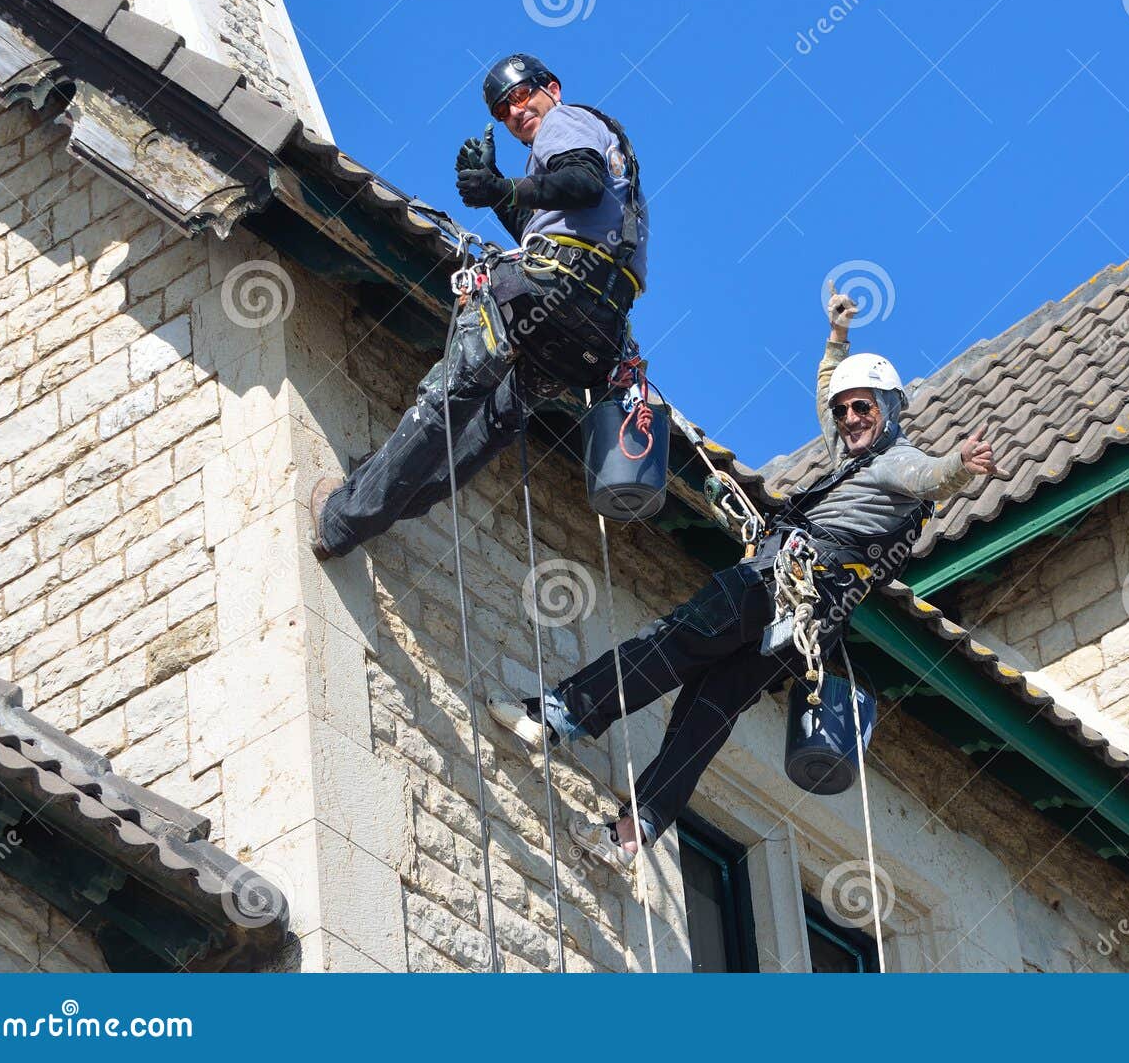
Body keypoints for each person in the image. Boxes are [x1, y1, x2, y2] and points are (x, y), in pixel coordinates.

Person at [490, 284, 998, 867]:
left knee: (676, 640)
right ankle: (636, 831)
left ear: (891, 409)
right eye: (845, 409)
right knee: (707, 709)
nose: (850, 418)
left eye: (864, 407)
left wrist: (961, 466)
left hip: (781, 582)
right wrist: (837, 338)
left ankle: (560, 714)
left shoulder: (893, 462)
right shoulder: (856, 455)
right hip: (803, 625)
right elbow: (824, 397)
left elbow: (927, 476)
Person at [309, 54, 649, 560]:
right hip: (593, 325)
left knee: (449, 398)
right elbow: (560, 221)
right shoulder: (607, 150)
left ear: (550, 87)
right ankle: (389, 498)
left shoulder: (565, 119)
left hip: (542, 293)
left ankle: (347, 516)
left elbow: (582, 182)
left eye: (521, 95)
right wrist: (498, 195)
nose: (514, 112)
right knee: (492, 424)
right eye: (501, 109)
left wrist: (503, 186)